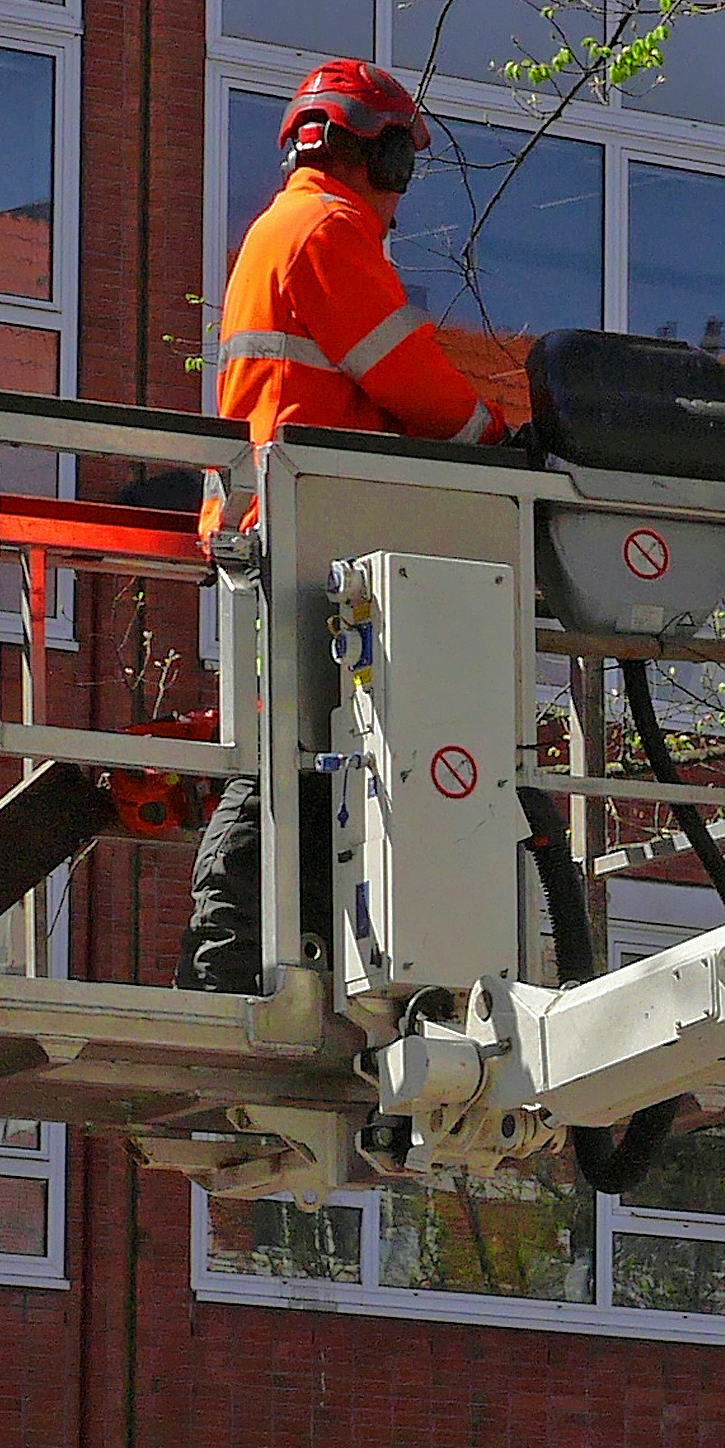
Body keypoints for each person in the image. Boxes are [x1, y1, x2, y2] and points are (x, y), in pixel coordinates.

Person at [183, 57, 501, 996]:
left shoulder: (282, 227)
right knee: (289, 752)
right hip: (310, 522)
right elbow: (401, 370)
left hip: (284, 518)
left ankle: (272, 950)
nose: (402, 196)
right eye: (403, 166)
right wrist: (495, 442)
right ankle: (235, 960)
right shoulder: (329, 229)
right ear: (383, 155)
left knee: (302, 747)